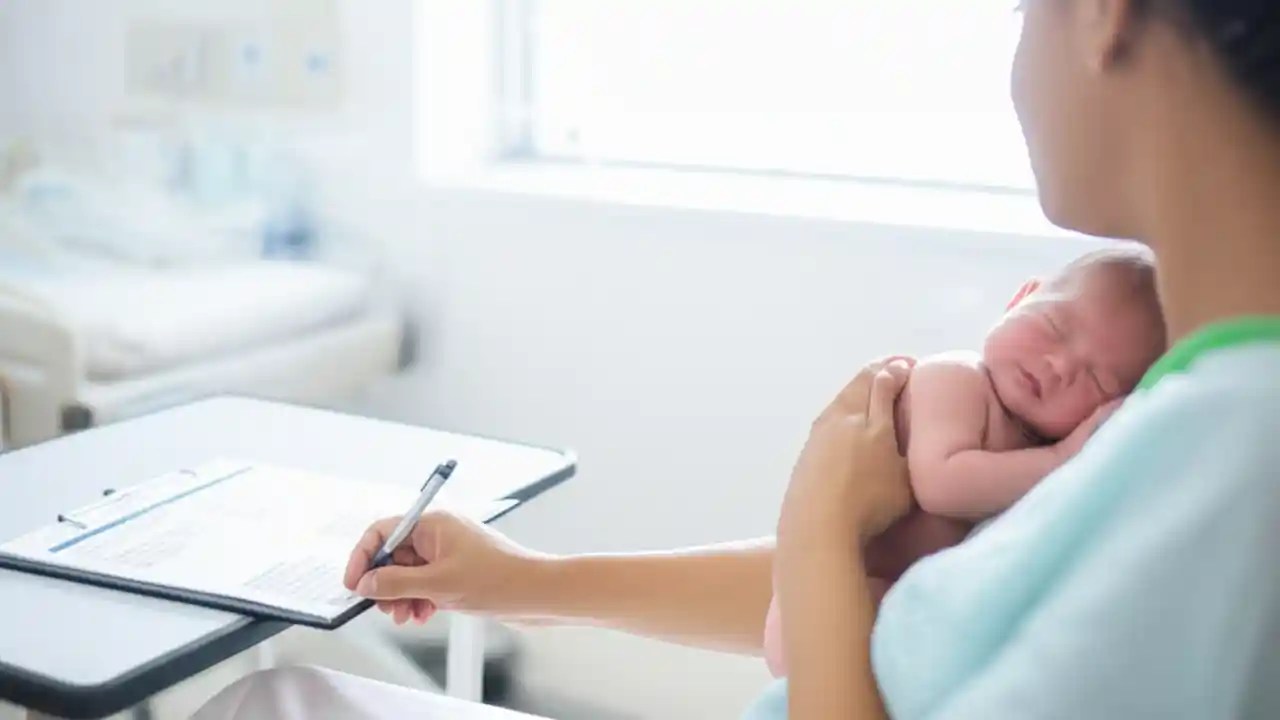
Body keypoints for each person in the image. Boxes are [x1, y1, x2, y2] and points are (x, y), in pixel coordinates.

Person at [196, 0, 1280, 717]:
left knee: (272, 704)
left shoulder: (1225, 454)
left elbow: (849, 593)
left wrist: (818, 523)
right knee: (285, 695)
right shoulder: (1176, 408)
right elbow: (917, 603)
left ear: (1103, 13)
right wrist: (522, 583)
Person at [763, 246, 1166, 678]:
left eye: (1096, 378)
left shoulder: (1034, 451)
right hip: (834, 596)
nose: (1059, 365)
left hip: (902, 604)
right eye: (1055, 327)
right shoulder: (957, 378)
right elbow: (942, 482)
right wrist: (1061, 458)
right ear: (1022, 295)